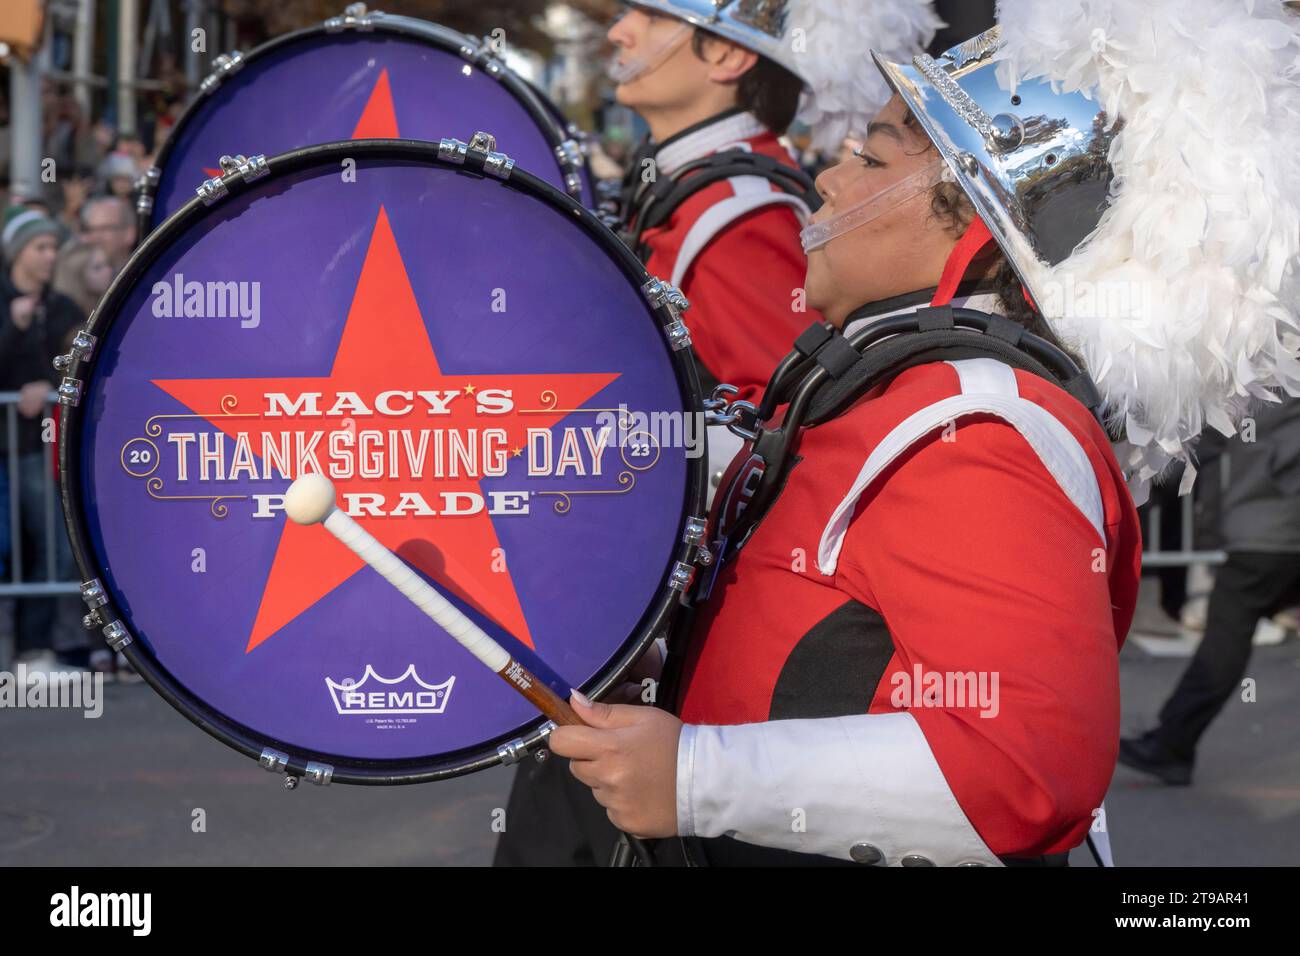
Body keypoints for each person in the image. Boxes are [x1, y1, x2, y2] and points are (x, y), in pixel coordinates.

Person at [544, 0, 1300, 866]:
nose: (827, 175)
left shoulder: (980, 431)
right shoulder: (895, 391)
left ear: (975, 237)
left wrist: (694, 776)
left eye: (869, 155)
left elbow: (1023, 770)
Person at [493, 0, 942, 867]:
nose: (618, 34)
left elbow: (775, 462)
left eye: (646, 17)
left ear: (726, 58)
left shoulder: (741, 216)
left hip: (677, 672)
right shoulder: (686, 193)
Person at [1121, 397, 1300, 785]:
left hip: (1272, 530)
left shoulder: (1282, 369)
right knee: (1227, 634)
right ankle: (1172, 742)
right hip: (1268, 526)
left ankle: (1173, 743)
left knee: (1226, 637)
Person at [0, 206, 87, 678]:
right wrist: (12, 328)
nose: (50, 257)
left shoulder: (60, 306)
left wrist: (46, 380)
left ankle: (36, 651)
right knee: (14, 549)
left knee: (50, 545)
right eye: (41, 248)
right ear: (18, 253)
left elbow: (78, 353)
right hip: (9, 447)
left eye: (54, 247)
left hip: (38, 448)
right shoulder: (6, 303)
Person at [53, 238, 113, 321]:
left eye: (108, 263)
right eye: (97, 268)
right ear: (76, 276)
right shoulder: (65, 318)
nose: (108, 271)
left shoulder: (110, 307)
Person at [79, 195, 137, 274]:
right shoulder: (75, 278)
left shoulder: (144, 279)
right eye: (90, 230)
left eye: (104, 229)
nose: (95, 237)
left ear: (129, 234)